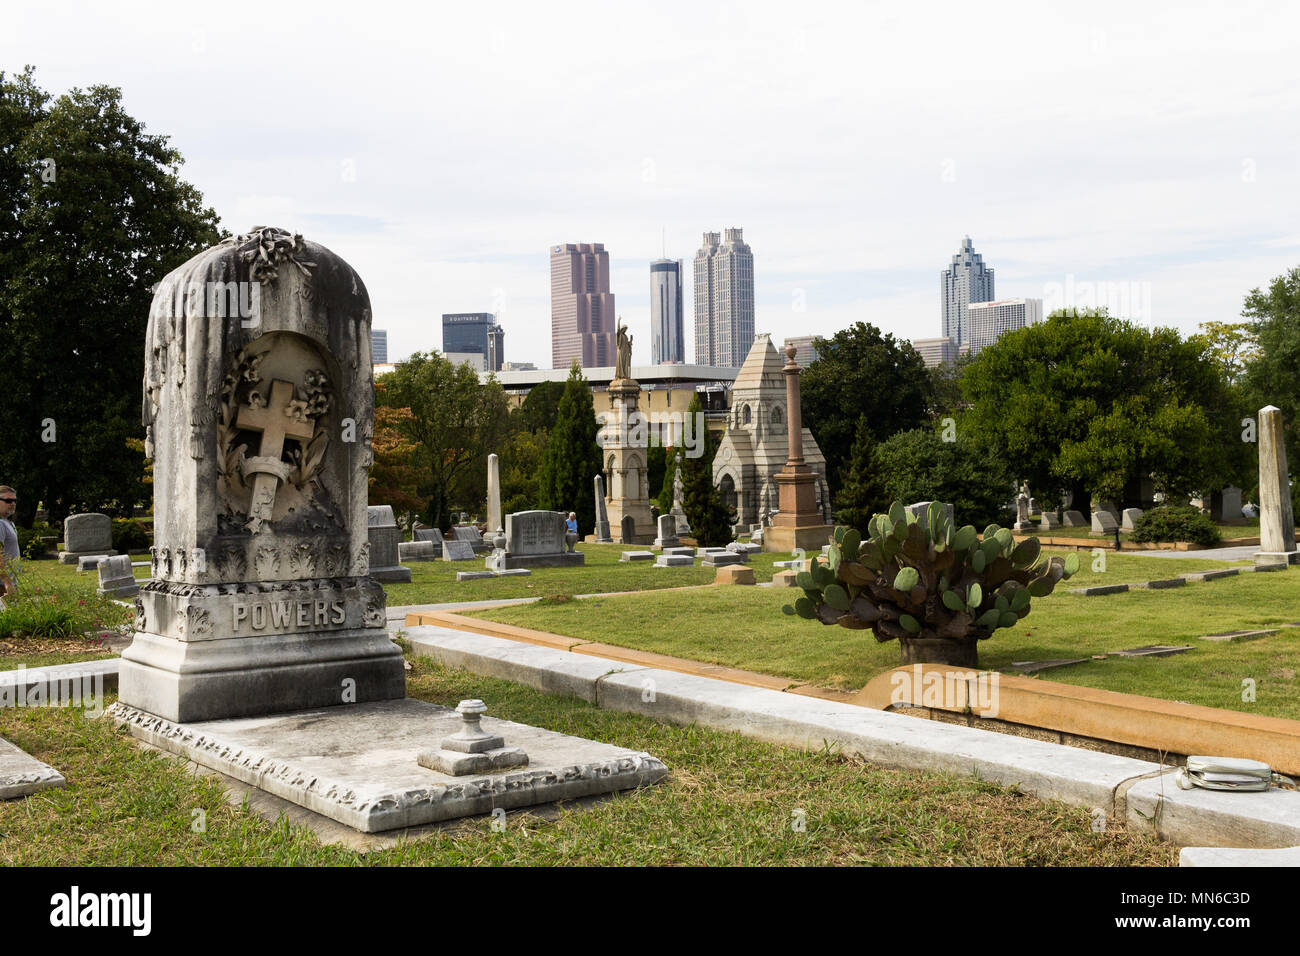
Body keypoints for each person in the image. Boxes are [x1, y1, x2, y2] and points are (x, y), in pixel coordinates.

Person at [0, 486, 19, 602]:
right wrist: (7, 583)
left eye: (14, 500)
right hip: (2, 585)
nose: (12, 503)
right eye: (8, 501)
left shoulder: (7, 522)